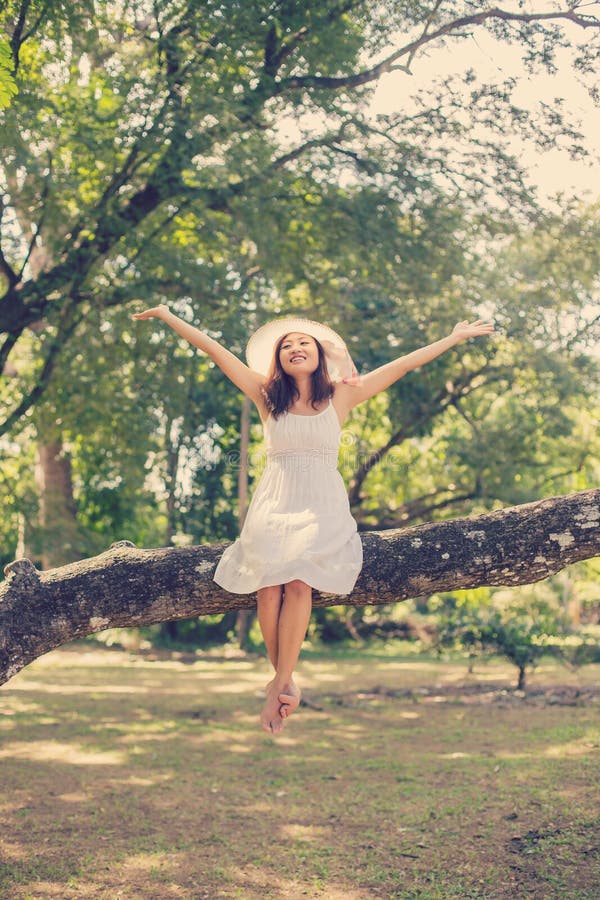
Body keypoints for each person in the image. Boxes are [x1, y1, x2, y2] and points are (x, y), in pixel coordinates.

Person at [133, 305, 494, 734]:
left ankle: (278, 685)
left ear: (320, 356)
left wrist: (452, 337)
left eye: (304, 342)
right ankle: (284, 681)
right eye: (286, 345)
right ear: (279, 360)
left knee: (300, 581)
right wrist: (169, 316)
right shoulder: (267, 396)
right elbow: (214, 351)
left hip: (320, 503)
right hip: (274, 502)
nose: (295, 347)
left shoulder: (342, 395)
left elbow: (403, 364)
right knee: (267, 590)